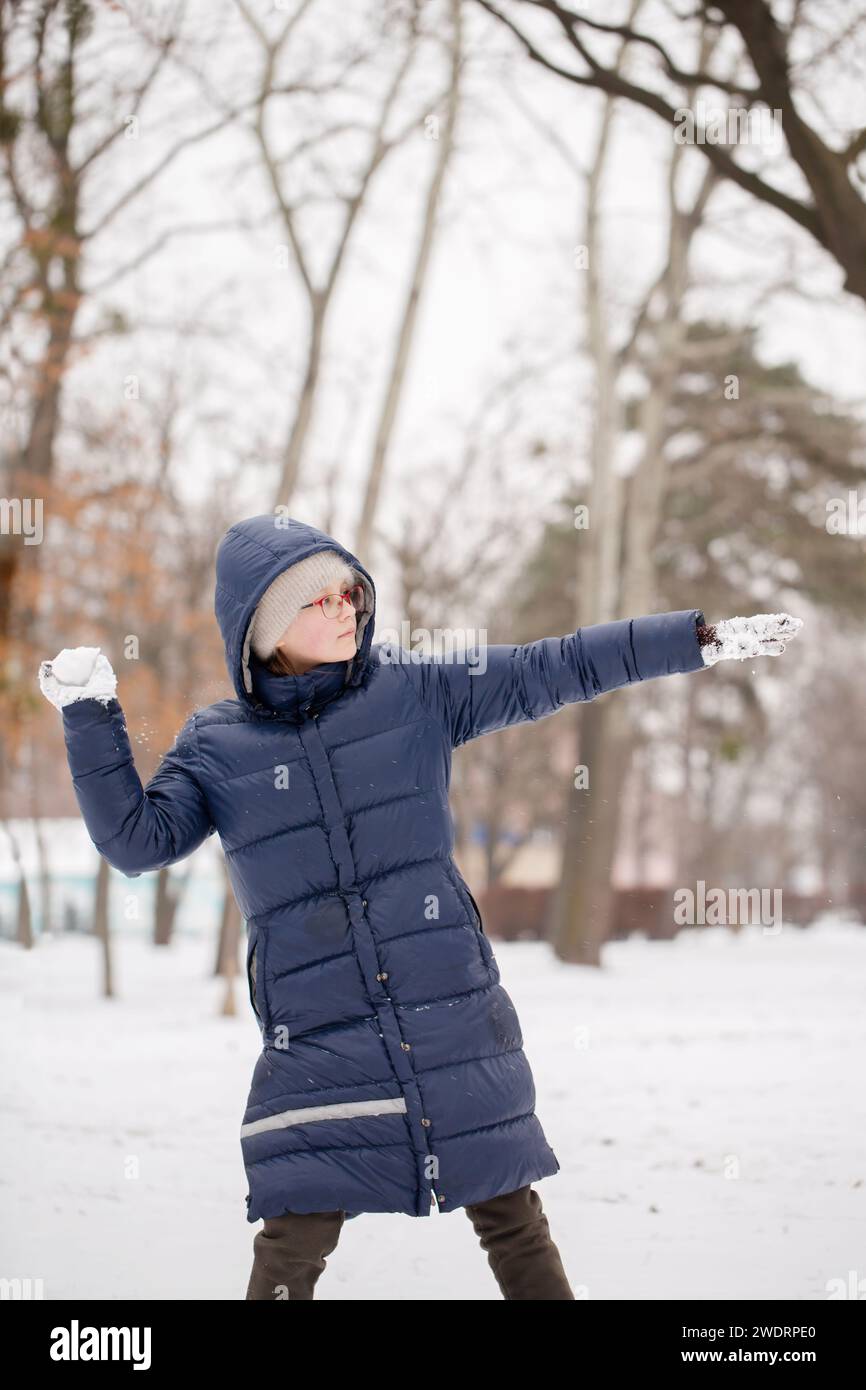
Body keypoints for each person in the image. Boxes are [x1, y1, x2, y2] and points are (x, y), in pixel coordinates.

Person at [37, 513, 803, 1299]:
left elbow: (555, 666)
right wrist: (89, 714)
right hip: (320, 1036)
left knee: (511, 1212)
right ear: (263, 628)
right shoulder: (216, 746)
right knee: (293, 1234)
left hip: (449, 1013)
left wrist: (697, 639)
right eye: (317, 600)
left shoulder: (413, 690)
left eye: (348, 593)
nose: (344, 609)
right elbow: (136, 841)